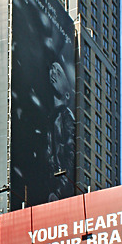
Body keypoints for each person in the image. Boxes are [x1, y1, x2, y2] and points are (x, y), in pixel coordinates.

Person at [47, 61, 75, 199]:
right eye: (51, 71)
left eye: (58, 73)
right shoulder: (51, 116)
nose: (53, 75)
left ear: (68, 94)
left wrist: (59, 189)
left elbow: (70, 155)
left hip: (59, 190)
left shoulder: (66, 116)